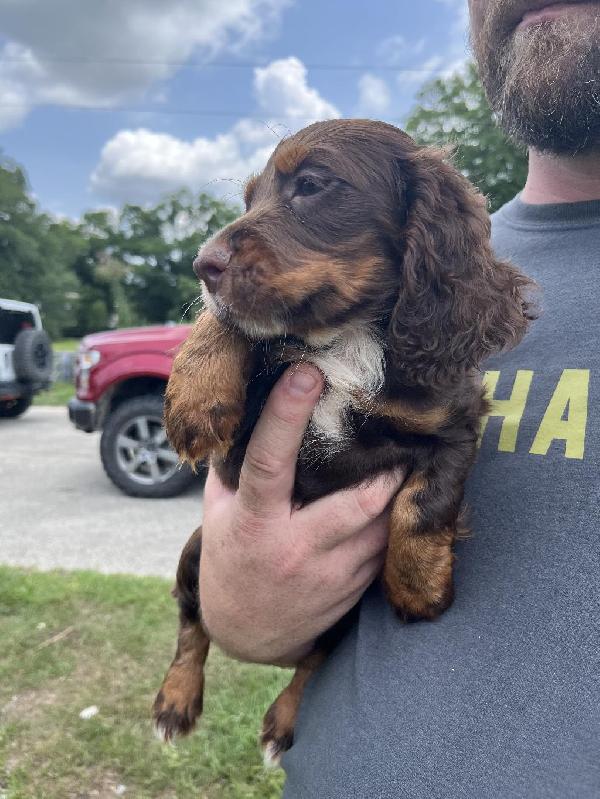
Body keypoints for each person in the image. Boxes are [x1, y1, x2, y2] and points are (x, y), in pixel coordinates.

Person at [199, 1, 600, 795]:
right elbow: (249, 591)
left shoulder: (430, 257)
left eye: (309, 187)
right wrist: (242, 602)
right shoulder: (381, 273)